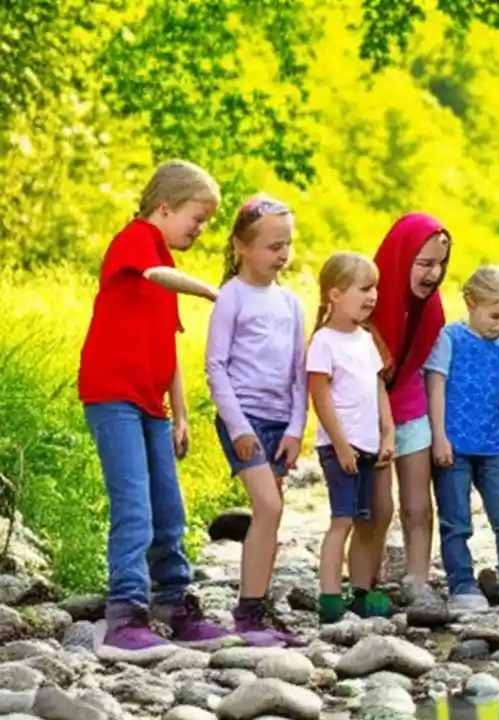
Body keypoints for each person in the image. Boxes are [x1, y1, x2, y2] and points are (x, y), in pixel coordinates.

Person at [78, 159, 234, 653]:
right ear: (164, 207)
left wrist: (181, 412)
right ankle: (125, 614)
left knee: (169, 508)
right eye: (198, 216)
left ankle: (172, 600)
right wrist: (213, 291)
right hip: (112, 394)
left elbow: (167, 347)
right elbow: (155, 273)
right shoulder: (137, 239)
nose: (202, 228)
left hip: (151, 403)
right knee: (135, 506)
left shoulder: (166, 266)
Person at [205, 195, 307, 645]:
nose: (282, 254)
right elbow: (215, 366)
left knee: (271, 516)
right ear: (242, 247)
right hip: (241, 418)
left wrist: (296, 428)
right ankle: (248, 615)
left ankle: (258, 606)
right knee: (268, 506)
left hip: (278, 421)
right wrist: (239, 427)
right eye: (272, 246)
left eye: (286, 245)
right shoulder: (232, 297)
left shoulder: (290, 304)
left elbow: (299, 373)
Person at [426, 266, 499, 612]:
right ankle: (462, 583)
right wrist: (439, 437)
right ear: (470, 302)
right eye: (495, 315)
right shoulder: (450, 339)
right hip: (454, 445)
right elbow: (435, 388)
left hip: (492, 446)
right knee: (456, 519)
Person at [359, 213, 451, 616]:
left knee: (418, 504)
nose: (434, 273)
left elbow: (434, 369)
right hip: (369, 417)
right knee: (378, 507)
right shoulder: (367, 300)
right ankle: (365, 583)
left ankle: (418, 580)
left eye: (440, 264)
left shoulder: (431, 310)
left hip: (412, 412)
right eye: (424, 263)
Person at [307, 252, 396, 624]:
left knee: (366, 519)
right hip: (340, 447)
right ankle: (329, 598)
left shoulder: (365, 339)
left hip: (369, 445)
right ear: (336, 294)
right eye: (364, 288)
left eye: (374, 287)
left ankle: (360, 592)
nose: (372, 295)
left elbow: (377, 389)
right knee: (342, 520)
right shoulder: (324, 342)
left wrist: (388, 431)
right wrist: (341, 445)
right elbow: (320, 396)